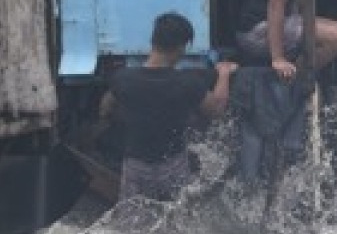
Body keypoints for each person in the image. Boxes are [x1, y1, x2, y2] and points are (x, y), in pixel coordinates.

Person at [100, 12, 238, 204]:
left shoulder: (123, 80)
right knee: (177, 221)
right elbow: (216, 110)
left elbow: (105, 110)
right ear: (182, 47)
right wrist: (224, 74)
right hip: (173, 166)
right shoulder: (188, 83)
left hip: (136, 165)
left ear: (153, 41)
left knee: (131, 224)